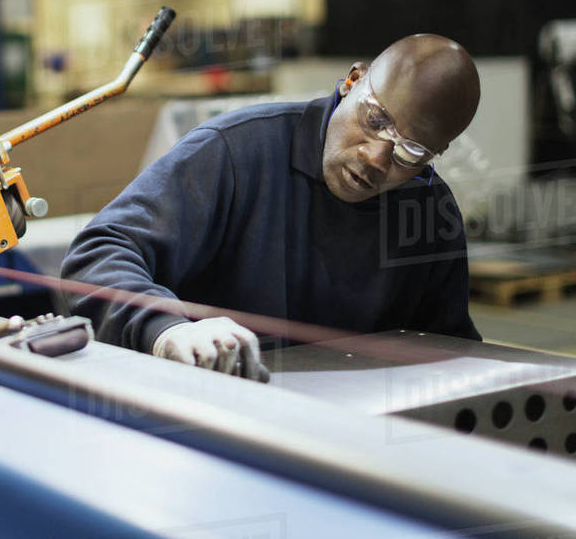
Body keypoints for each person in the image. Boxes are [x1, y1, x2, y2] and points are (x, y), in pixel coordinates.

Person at [60, 34, 482, 381]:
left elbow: (449, 348)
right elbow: (98, 253)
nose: (376, 157)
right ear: (352, 82)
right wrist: (164, 328)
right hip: (215, 425)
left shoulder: (428, 209)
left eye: (410, 152)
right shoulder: (234, 152)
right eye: (375, 120)